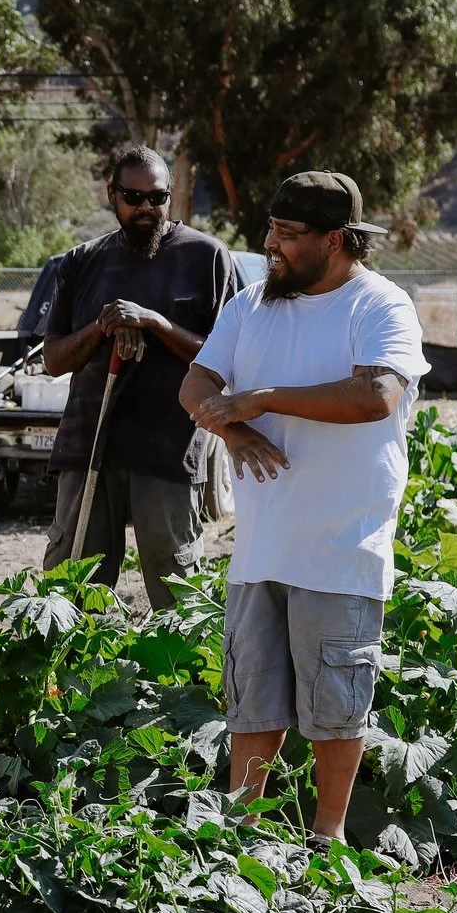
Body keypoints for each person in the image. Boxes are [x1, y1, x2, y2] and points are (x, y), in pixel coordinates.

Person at [180, 170, 429, 846]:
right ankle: (240, 831)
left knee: (335, 706)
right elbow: (197, 380)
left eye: (289, 236)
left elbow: (374, 395)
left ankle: (328, 837)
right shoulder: (253, 303)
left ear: (336, 239)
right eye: (272, 231)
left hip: (340, 543)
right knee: (253, 698)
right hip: (261, 543)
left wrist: (262, 397)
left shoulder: (379, 305)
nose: (272, 245)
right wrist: (233, 428)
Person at [38, 145, 241, 609]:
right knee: (73, 587)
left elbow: (229, 359)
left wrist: (155, 323)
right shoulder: (81, 261)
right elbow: (53, 359)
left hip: (166, 446)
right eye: (134, 197)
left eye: (158, 197)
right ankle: (72, 682)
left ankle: (181, 681)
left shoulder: (207, 257)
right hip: (90, 443)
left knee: (177, 590)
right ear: (112, 195)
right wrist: (102, 327)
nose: (147, 208)